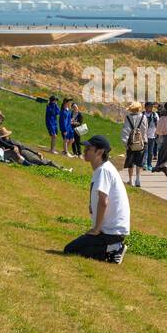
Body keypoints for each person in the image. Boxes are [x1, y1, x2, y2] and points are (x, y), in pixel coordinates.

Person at [63, 134, 129, 263]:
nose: (85, 151)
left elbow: (103, 202)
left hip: (111, 232)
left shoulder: (103, 170)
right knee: (74, 248)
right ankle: (110, 249)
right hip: (111, 231)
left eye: (88, 149)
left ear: (99, 152)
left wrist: (96, 229)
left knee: (70, 250)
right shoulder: (104, 169)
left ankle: (114, 249)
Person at [120, 101, 145, 188]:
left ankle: (130, 179)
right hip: (140, 143)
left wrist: (125, 142)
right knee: (139, 162)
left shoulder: (128, 117)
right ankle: (138, 179)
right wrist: (144, 141)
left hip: (131, 143)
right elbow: (144, 129)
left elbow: (125, 130)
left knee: (130, 162)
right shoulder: (143, 117)